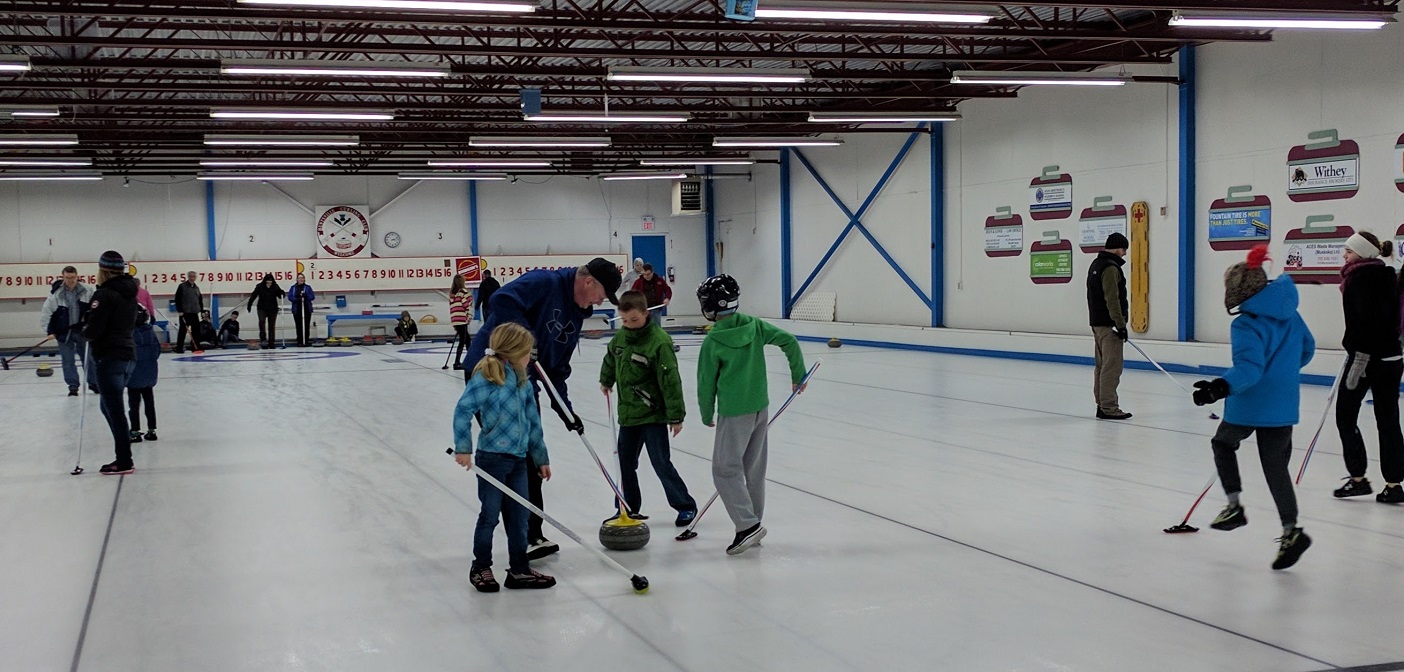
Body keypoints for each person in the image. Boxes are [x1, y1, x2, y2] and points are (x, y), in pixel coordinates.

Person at [464, 257, 622, 560]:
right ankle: (523, 537)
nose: (601, 301)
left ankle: (531, 534)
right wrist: (526, 337)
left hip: (523, 383)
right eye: (602, 294)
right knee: (513, 456)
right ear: (588, 281)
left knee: (531, 455)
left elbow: (556, 370)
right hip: (491, 375)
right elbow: (502, 299)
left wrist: (567, 412)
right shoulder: (546, 282)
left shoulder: (576, 317)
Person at [1191, 245, 1315, 570]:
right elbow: (1308, 348)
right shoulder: (1290, 312)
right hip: (1283, 403)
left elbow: (1249, 370)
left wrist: (1218, 388)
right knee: (1276, 469)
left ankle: (1234, 506)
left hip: (1250, 403)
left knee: (1223, 443)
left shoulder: (1246, 324)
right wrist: (1284, 374)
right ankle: (1291, 531)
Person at [696, 274, 806, 555]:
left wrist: (706, 413)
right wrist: (798, 374)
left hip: (734, 412)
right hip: (759, 407)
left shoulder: (713, 341)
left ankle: (747, 526)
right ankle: (753, 523)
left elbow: (706, 383)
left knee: (724, 470)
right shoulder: (754, 326)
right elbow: (789, 340)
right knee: (754, 469)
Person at [452, 322, 556, 592]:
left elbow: (533, 423)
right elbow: (463, 410)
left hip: (519, 461)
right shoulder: (488, 377)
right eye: (527, 352)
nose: (530, 357)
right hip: (492, 460)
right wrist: (463, 448)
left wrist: (540, 458)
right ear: (513, 351)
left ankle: (519, 569)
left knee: (520, 517)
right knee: (489, 515)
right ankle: (481, 567)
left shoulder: (523, 381)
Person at [600, 290, 697, 526]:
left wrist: (676, 416)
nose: (629, 325)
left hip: (653, 415)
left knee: (660, 462)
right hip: (629, 415)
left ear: (645, 314)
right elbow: (611, 358)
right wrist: (606, 380)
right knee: (624, 464)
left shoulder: (659, 342)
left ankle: (685, 505)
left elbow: (670, 381)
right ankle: (627, 507)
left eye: (634, 319)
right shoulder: (620, 338)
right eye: (624, 320)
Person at [1332, 232, 1404, 503]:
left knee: (1345, 416)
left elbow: (1367, 321)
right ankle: (1394, 484)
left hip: (1365, 358)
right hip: (1392, 357)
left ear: (1361, 253)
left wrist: (1356, 350)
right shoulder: (1389, 276)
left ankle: (1358, 478)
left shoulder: (1359, 279)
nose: (1344, 255)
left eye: (1349, 251)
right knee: (1388, 419)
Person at [83, 251, 140, 476]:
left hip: (109, 356)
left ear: (103, 270)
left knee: (114, 410)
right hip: (127, 354)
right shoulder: (130, 293)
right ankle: (123, 450)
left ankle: (124, 460)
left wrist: (84, 329)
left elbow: (95, 329)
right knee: (107, 406)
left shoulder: (104, 294)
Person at [1088, 232, 1131, 420]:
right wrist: (1120, 324)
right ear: (1116, 248)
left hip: (1097, 323)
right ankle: (1109, 407)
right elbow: (1112, 299)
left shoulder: (1096, 264)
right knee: (1112, 367)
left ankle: (1102, 404)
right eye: (1123, 249)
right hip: (1109, 325)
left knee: (1102, 365)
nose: (1125, 253)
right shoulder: (1111, 268)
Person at [38, 266, 95, 396]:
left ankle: (94, 383)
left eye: (73, 277)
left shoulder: (88, 290)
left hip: (82, 331)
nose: (70, 280)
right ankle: (73, 386)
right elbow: (46, 313)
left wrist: (92, 327)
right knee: (68, 361)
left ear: (77, 276)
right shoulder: (56, 294)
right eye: (67, 278)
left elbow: (94, 311)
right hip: (63, 332)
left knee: (88, 359)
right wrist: (49, 331)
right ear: (63, 277)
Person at [127, 304, 160, 443]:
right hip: (149, 373)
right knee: (149, 403)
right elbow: (157, 351)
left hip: (133, 375)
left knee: (134, 405)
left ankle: (135, 431)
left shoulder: (129, 334)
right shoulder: (150, 331)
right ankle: (152, 430)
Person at [246, 273, 284, 349]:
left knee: (272, 326)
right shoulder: (259, 286)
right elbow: (253, 296)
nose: (269, 282)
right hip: (262, 308)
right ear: (265, 280)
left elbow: (280, 296)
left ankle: (271, 342)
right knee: (262, 323)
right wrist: (249, 305)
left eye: (270, 281)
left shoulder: (275, 286)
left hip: (273, 309)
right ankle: (263, 341)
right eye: (268, 281)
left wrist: (282, 293)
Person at [631, 263, 673, 327]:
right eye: (644, 274)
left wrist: (667, 298)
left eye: (648, 274)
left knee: (656, 327)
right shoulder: (638, 282)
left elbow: (667, 289)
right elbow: (632, 294)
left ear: (652, 272)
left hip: (656, 308)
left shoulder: (659, 280)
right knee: (643, 327)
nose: (646, 276)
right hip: (643, 310)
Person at [173, 270, 203, 354]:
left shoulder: (196, 288)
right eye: (191, 277)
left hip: (194, 312)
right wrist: (179, 310)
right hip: (185, 312)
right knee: (183, 331)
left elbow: (200, 299)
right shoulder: (182, 286)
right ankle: (179, 348)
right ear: (188, 277)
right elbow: (177, 299)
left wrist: (201, 309)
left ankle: (195, 347)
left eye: (194, 277)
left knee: (196, 331)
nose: (192, 278)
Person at [449, 274, 473, 369]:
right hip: (462, 318)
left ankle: (469, 359)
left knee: (467, 340)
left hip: (455, 319)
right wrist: (469, 316)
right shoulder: (463, 292)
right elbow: (467, 305)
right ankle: (457, 362)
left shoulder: (452, 294)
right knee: (463, 341)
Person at [287, 273, 315, 347]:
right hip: (297, 309)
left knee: (306, 325)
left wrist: (306, 296)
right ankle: (299, 341)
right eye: (299, 278)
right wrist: (297, 299)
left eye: (302, 278)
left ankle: (306, 340)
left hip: (306, 308)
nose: (301, 279)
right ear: (297, 279)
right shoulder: (293, 288)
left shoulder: (308, 287)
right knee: (298, 325)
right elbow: (290, 297)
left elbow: (312, 296)